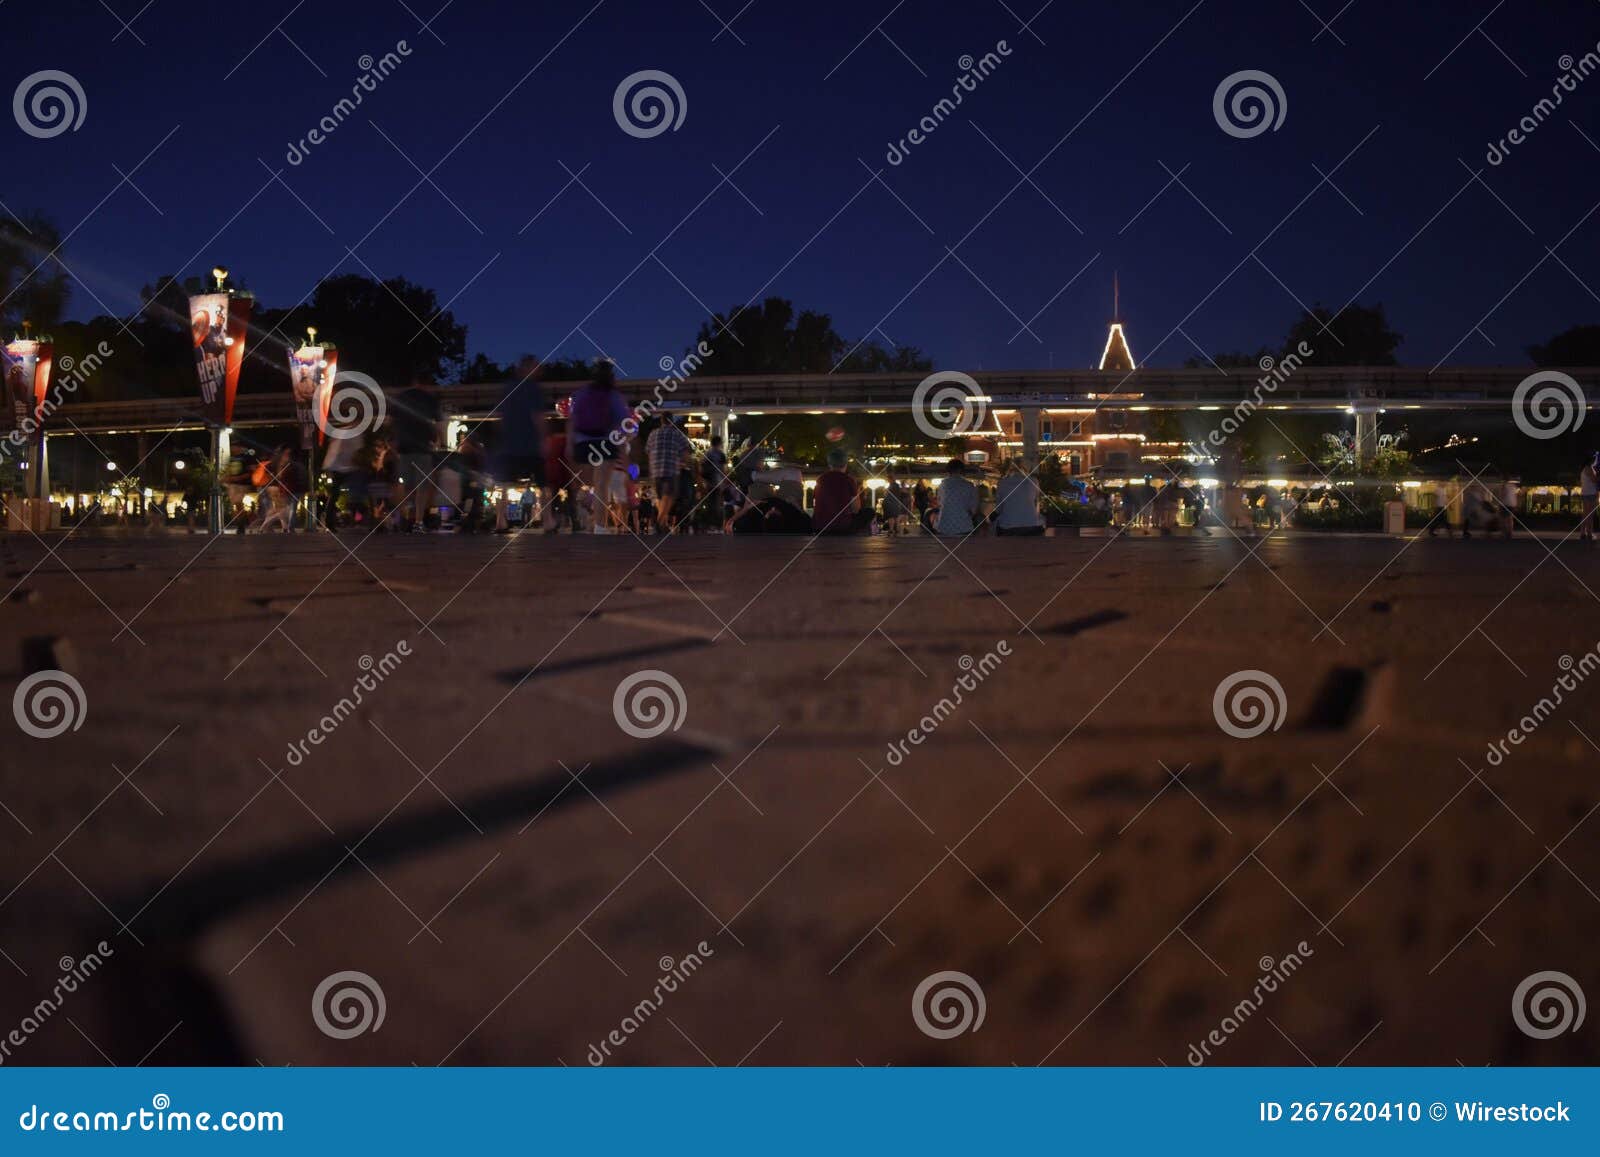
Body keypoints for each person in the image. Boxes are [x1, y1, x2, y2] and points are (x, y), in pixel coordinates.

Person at [491, 356, 554, 533]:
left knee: (504, 485)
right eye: (536, 367)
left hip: (509, 446)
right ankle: (548, 521)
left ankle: (500, 521)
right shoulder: (533, 389)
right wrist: (544, 439)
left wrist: (501, 439)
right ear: (529, 368)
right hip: (531, 445)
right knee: (543, 485)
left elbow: (500, 418)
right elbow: (538, 417)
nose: (539, 370)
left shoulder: (508, 388)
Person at [567, 360, 631, 532]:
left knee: (587, 485)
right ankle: (600, 527)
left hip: (583, 443)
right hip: (606, 443)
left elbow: (573, 420)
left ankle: (585, 516)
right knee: (602, 485)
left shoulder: (582, 393)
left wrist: (569, 444)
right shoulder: (614, 395)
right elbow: (623, 425)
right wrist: (623, 449)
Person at [391, 378, 444, 531]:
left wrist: (394, 442)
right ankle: (418, 521)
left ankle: (405, 516)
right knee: (423, 485)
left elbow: (391, 422)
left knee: (405, 484)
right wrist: (438, 441)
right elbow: (438, 424)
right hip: (423, 446)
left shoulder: (400, 398)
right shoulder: (430, 399)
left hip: (404, 447)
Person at [647, 415, 693, 532]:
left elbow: (648, 450)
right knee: (670, 495)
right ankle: (660, 521)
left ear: (661, 421)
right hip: (671, 468)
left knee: (660, 497)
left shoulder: (653, 434)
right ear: (672, 422)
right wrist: (684, 462)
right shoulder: (677, 434)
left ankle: (662, 524)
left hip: (655, 469)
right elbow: (686, 452)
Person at [811, 447, 872, 534]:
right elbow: (856, 509)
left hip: (820, 527)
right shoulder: (849, 480)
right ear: (845, 464)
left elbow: (816, 503)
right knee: (869, 512)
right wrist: (857, 493)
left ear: (829, 464)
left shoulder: (820, 479)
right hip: (843, 526)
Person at [993, 461, 1044, 536]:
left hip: (1008, 526)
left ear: (1009, 470)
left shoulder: (1002, 483)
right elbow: (1036, 503)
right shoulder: (1033, 481)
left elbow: (999, 508)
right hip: (1032, 525)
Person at [933, 458, 980, 536]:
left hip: (943, 527)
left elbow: (939, 503)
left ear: (948, 470)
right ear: (961, 470)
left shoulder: (943, 485)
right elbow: (974, 510)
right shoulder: (969, 486)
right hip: (964, 527)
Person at [1581, 453, 1599, 543]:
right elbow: (1594, 480)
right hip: (1590, 494)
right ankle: (1589, 533)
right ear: (1592, 460)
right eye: (1595, 459)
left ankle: (1583, 532)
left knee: (1585, 514)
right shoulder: (1589, 469)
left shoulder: (1584, 469)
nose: (1596, 461)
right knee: (1590, 515)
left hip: (1585, 494)